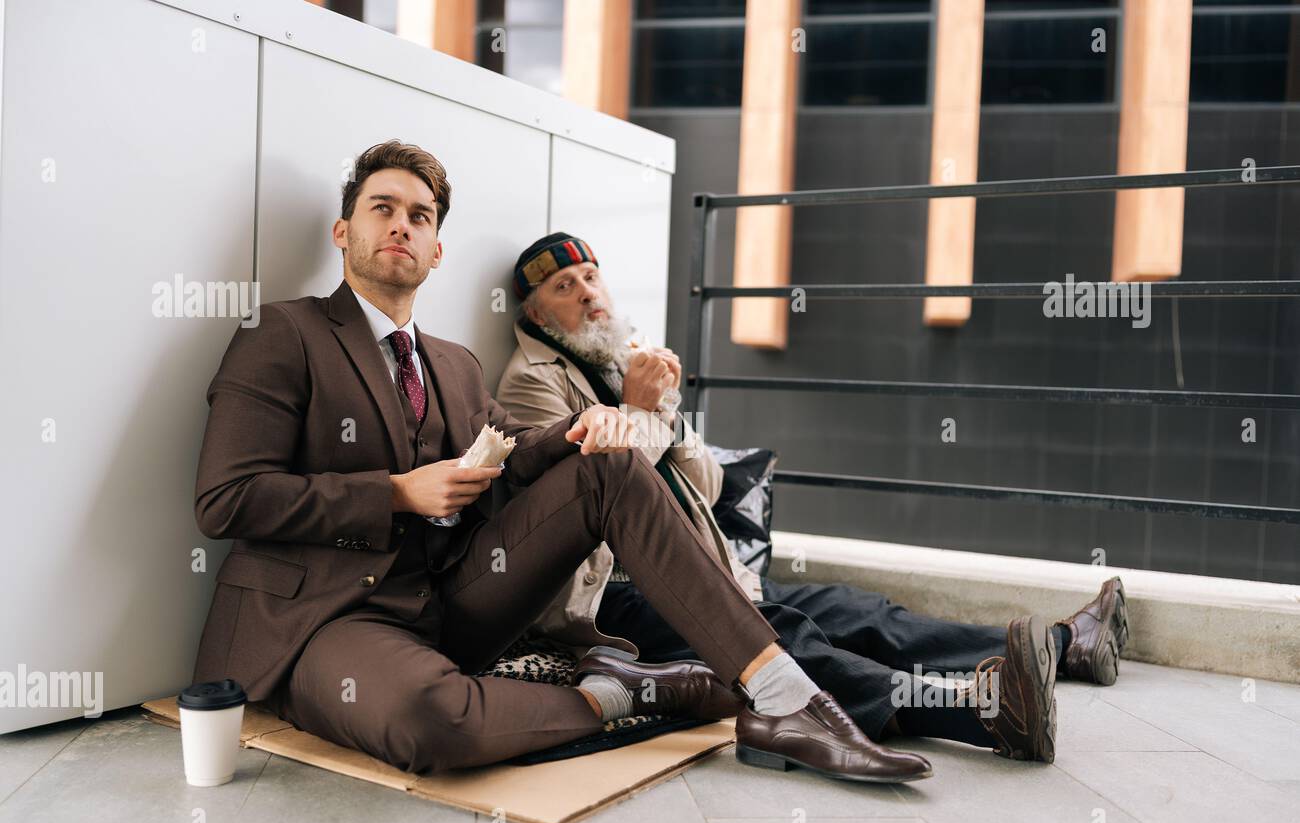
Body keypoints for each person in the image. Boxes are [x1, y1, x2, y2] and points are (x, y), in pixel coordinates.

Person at [191, 140, 945, 785]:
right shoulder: (282, 333)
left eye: (419, 217)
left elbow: (514, 457)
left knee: (612, 466)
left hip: (450, 604)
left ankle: (784, 700)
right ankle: (633, 695)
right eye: (382, 208)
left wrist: (587, 427)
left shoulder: (451, 364)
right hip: (326, 617)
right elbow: (225, 500)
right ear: (343, 231)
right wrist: (394, 492)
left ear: (437, 250)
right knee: (429, 720)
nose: (401, 225)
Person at [495, 231, 1131, 764]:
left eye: (591, 278)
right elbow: (603, 492)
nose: (587, 294)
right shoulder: (529, 385)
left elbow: (711, 488)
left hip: (700, 566)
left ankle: (1060, 646)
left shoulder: (617, 365)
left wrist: (665, 412)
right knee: (788, 636)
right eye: (564, 287)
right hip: (617, 595)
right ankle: (984, 715)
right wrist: (636, 409)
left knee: (856, 610)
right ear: (535, 315)